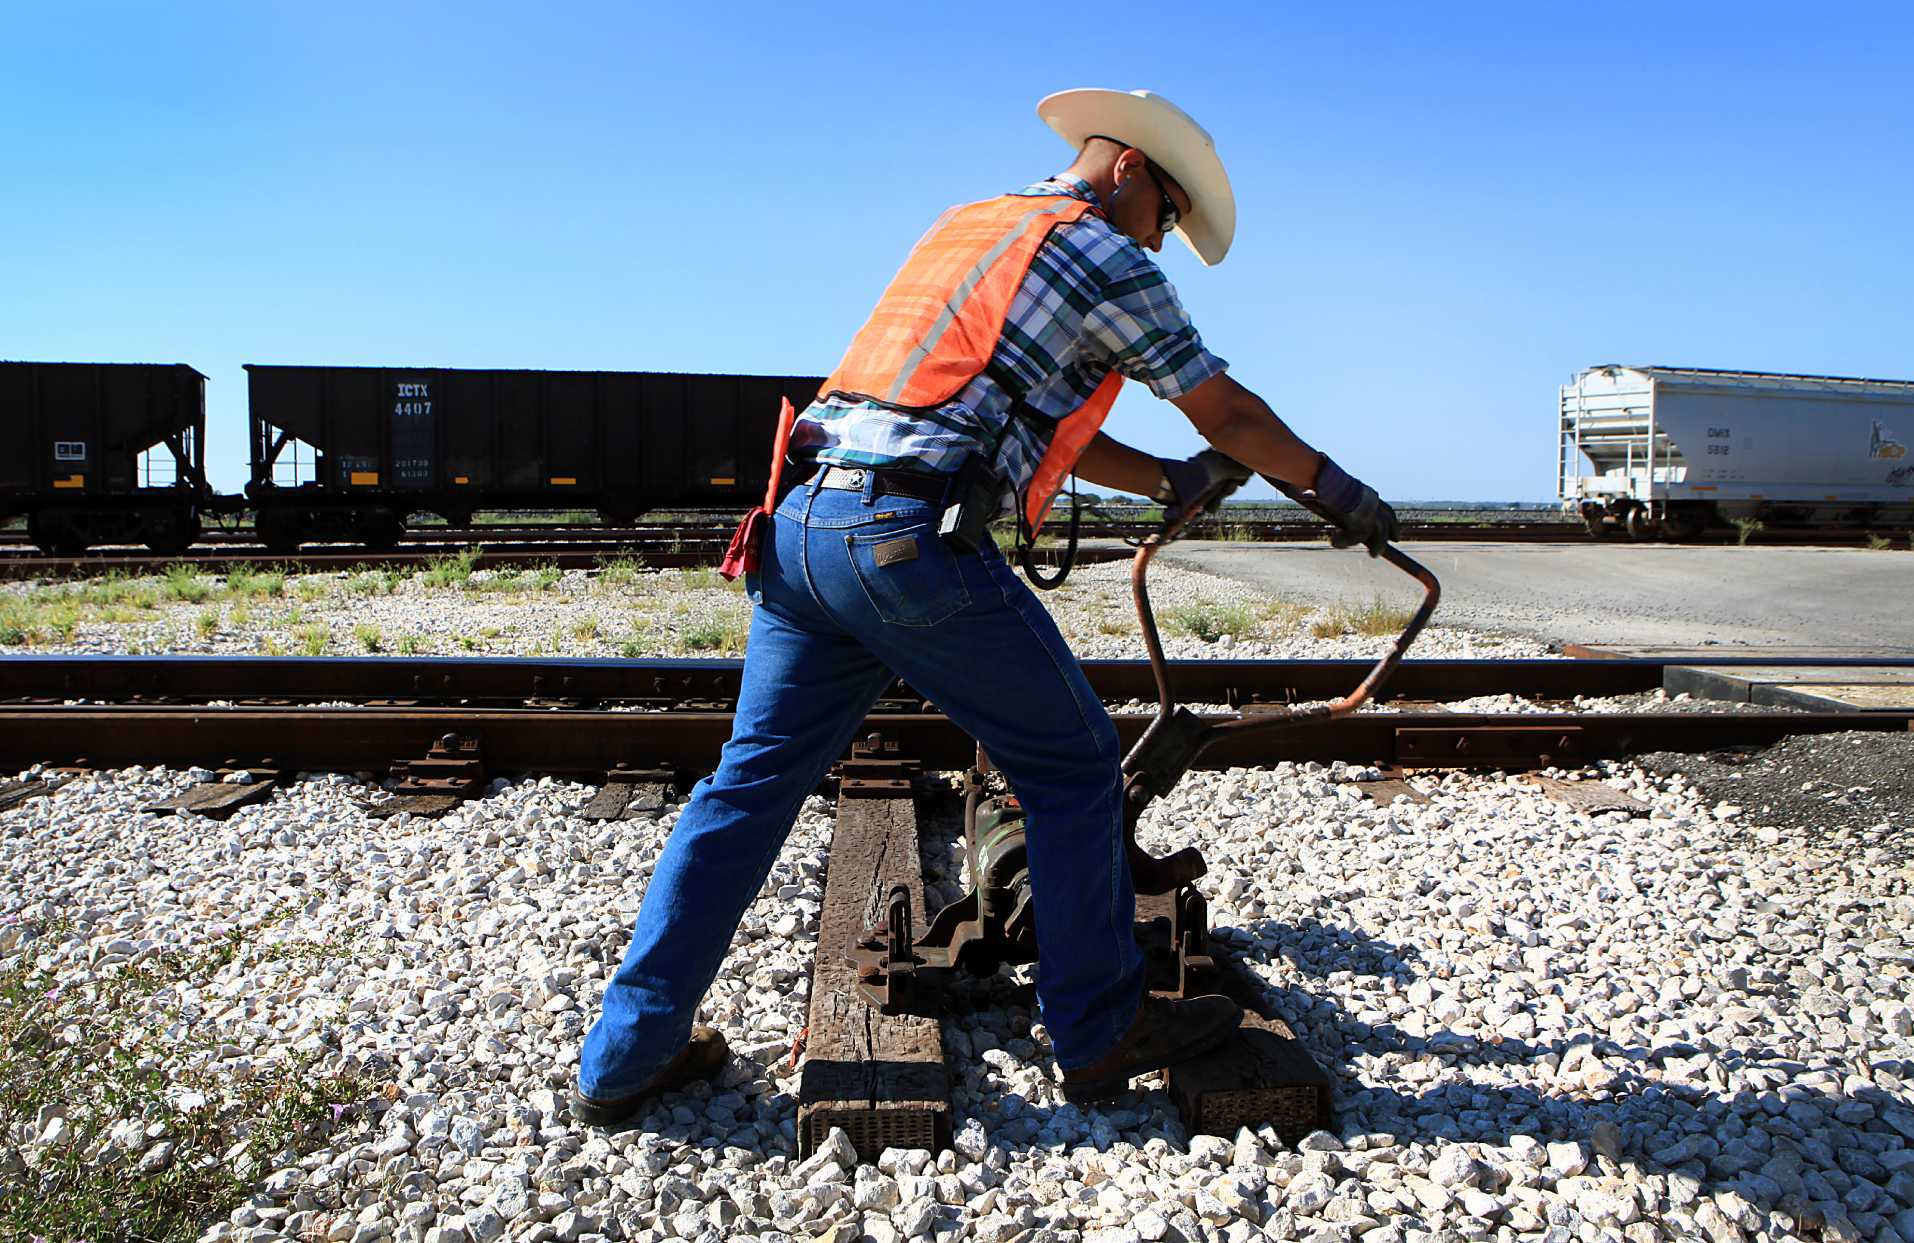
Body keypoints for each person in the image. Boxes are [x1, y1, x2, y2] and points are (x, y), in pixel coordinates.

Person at [572, 88, 1400, 1124]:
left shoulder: (970, 224)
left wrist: (1159, 481)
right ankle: (1098, 1030)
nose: (1165, 241)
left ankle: (624, 1053)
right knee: (1073, 761)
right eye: (1169, 218)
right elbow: (1222, 407)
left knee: (747, 790)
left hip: (802, 523)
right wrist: (1335, 490)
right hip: (901, 540)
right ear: (1132, 173)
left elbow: (1009, 407)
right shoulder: (1106, 256)